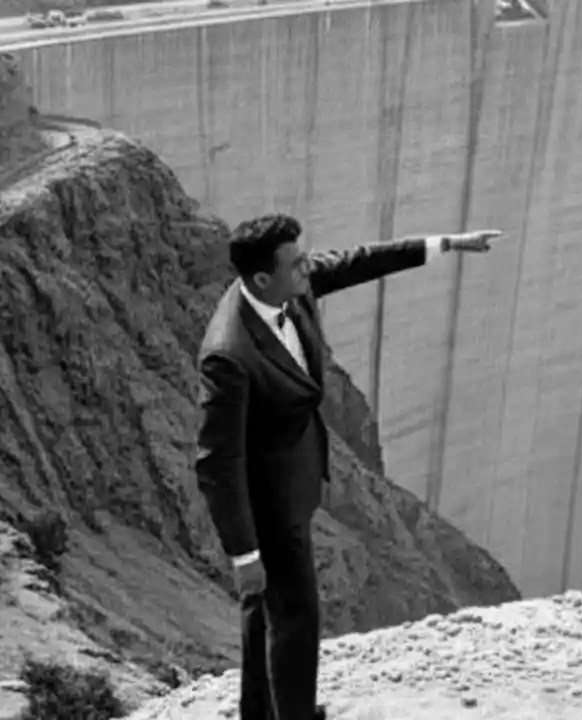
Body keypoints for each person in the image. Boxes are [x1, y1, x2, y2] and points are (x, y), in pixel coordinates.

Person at [194, 213, 502, 720]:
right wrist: (243, 550)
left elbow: (358, 261)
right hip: (268, 500)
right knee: (295, 612)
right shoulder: (229, 353)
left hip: (295, 471)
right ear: (262, 279)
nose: (307, 269)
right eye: (296, 264)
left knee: (274, 613)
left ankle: (267, 712)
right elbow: (216, 460)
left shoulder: (290, 289)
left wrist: (445, 242)